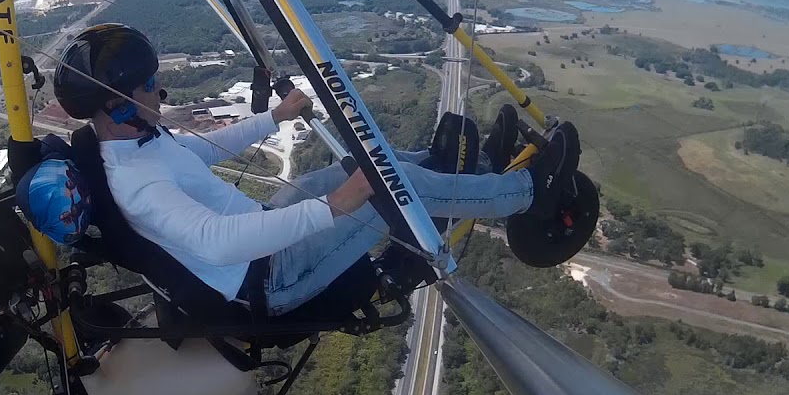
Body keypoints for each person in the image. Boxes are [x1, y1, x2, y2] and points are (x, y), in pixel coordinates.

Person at [47, 23, 580, 316]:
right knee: (388, 191)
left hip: (265, 229)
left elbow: (203, 152)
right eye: (148, 86)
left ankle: (476, 171)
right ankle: (526, 193)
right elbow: (217, 243)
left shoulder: (138, 142)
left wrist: (274, 117)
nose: (159, 91)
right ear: (114, 105)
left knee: (374, 165)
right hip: (272, 275)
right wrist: (334, 206)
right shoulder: (136, 183)